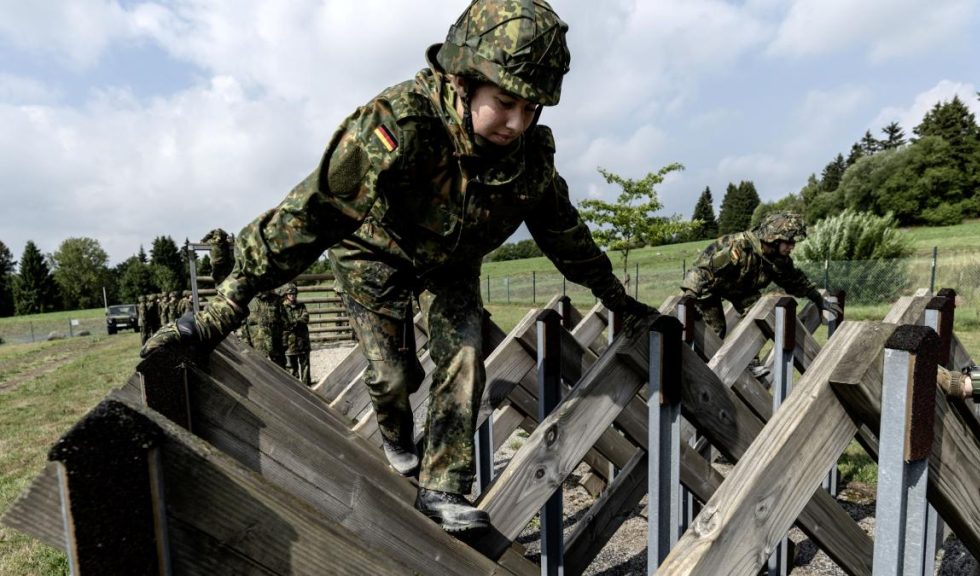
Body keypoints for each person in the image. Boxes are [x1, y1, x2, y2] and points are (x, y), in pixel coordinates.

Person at [142, 0, 654, 535]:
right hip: (373, 249)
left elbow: (567, 237)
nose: (516, 122)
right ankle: (396, 439)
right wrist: (229, 301)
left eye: (531, 109)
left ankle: (443, 488)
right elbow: (310, 215)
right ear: (463, 79)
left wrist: (621, 302)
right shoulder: (397, 126)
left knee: (466, 352)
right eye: (505, 102)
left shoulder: (527, 160)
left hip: (449, 264)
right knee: (391, 378)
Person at [681, 211, 840, 340]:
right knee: (715, 333)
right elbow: (702, 271)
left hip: (741, 291)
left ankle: (750, 361)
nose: (792, 246)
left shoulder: (778, 259)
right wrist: (689, 298)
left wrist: (820, 301)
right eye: (789, 241)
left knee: (761, 312)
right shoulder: (739, 249)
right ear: (775, 239)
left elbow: (796, 281)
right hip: (709, 288)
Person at [238, 290, 287, 368]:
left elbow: (284, 323)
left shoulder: (276, 299)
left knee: (279, 371)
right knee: (259, 370)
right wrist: (246, 343)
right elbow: (243, 324)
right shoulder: (248, 300)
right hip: (256, 346)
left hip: (276, 346)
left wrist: (284, 342)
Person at [280, 283, 312, 386]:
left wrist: (294, 322)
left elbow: (305, 318)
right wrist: (295, 323)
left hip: (303, 341)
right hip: (290, 343)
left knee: (305, 365)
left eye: (294, 293)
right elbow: (284, 323)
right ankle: (294, 387)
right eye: (290, 294)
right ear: (286, 295)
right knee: (291, 367)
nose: (292, 295)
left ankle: (307, 386)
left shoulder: (301, 306)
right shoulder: (282, 308)